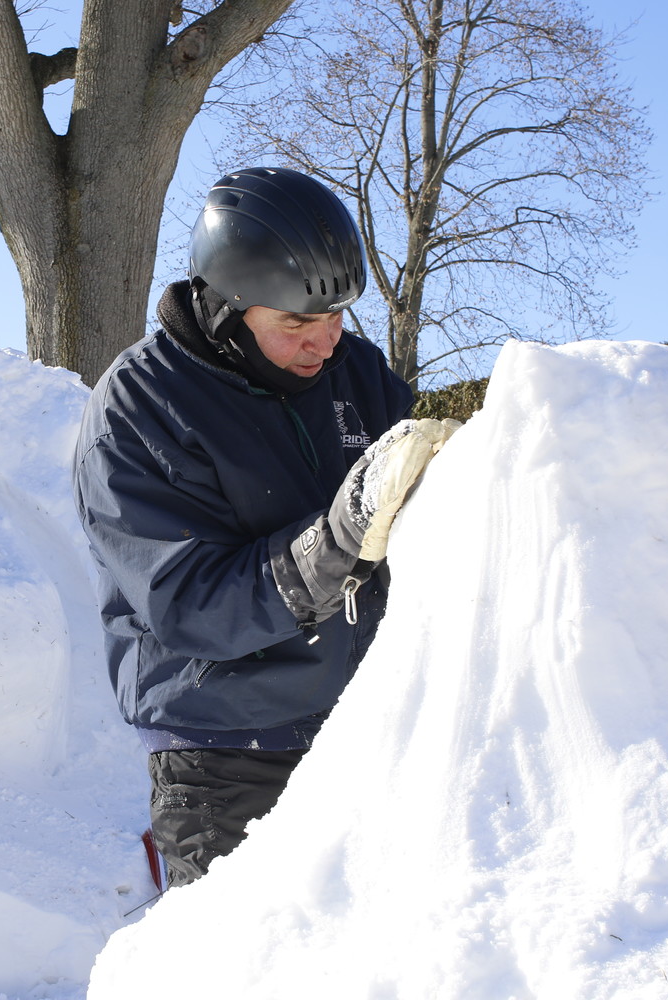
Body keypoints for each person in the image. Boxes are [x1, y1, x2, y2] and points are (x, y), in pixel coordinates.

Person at [73, 166, 456, 888]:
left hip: (368, 724)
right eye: (296, 324)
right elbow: (188, 604)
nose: (326, 343)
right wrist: (332, 546)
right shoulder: (141, 407)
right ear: (227, 307)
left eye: (338, 316)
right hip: (227, 749)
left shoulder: (356, 374)